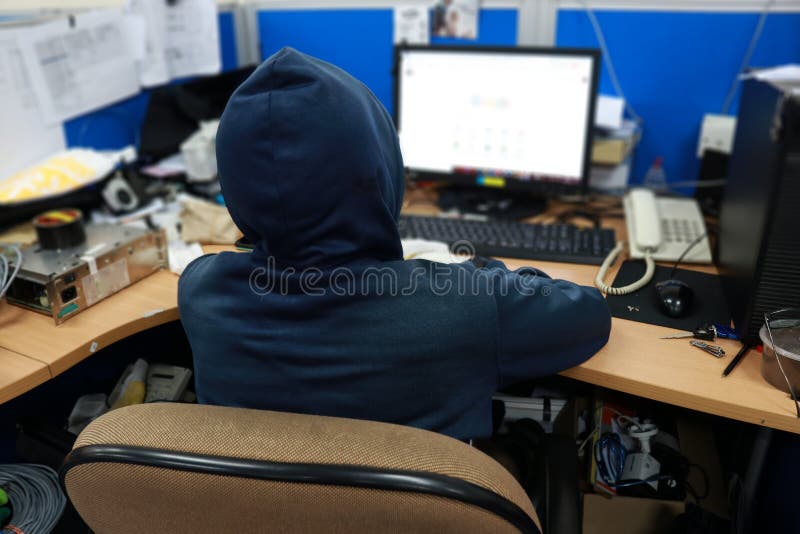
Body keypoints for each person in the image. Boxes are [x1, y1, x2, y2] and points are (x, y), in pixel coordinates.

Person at [178, 48, 611, 441]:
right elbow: (589, 314)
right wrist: (481, 275)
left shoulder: (200, 291)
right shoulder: (467, 307)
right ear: (381, 167)